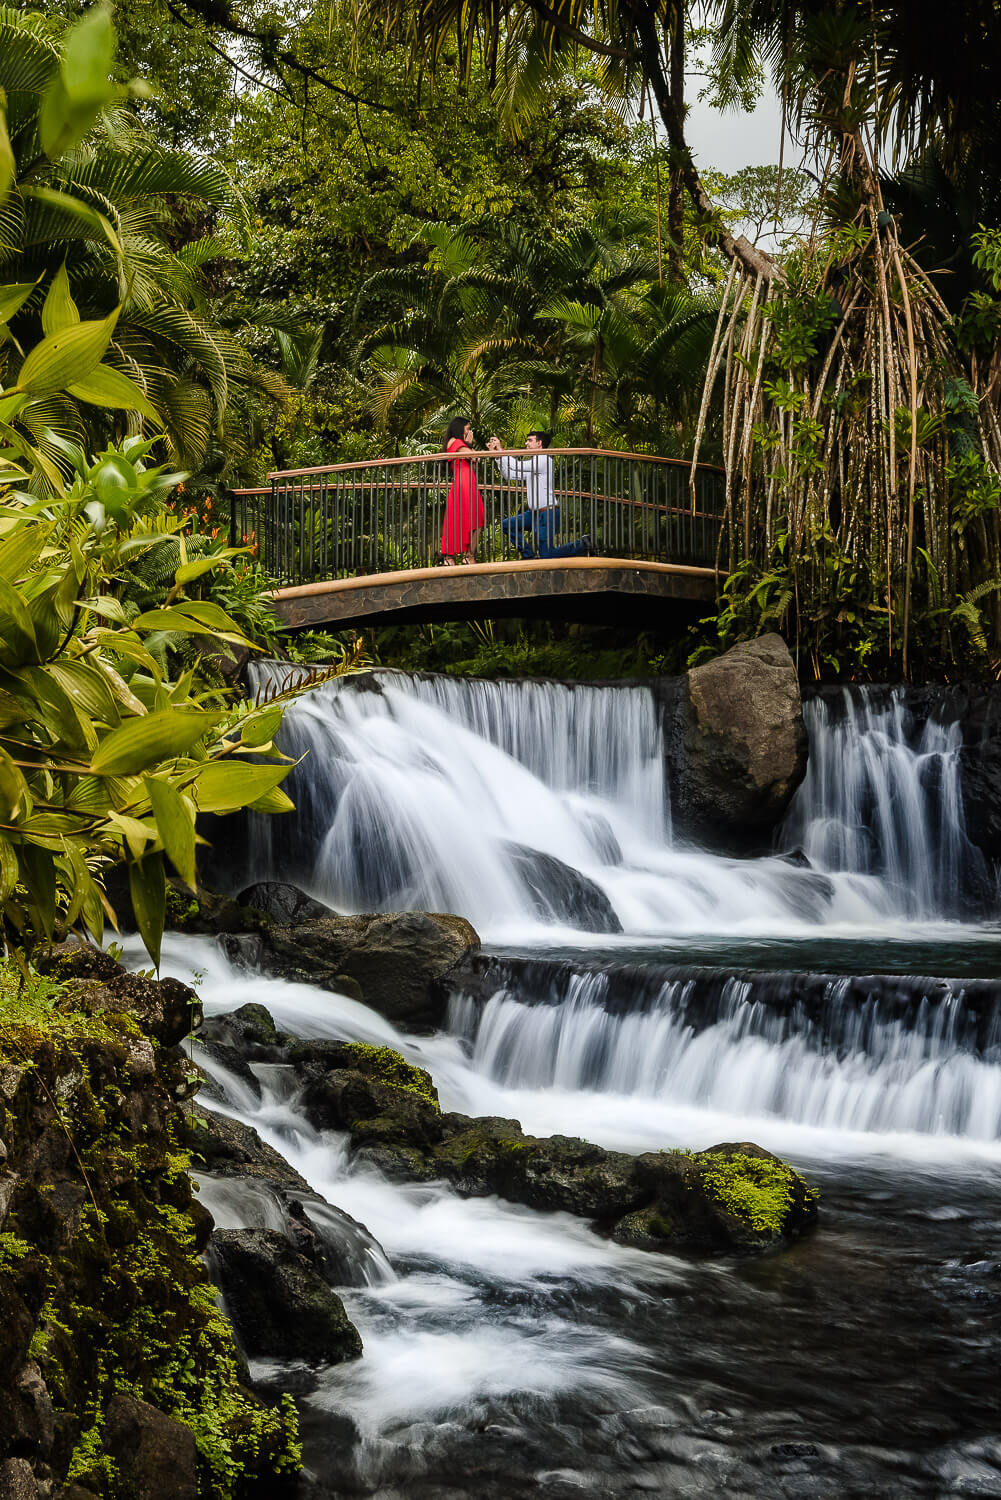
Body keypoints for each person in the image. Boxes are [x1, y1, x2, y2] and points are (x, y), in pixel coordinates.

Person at [487, 431, 591, 559]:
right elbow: (509, 475)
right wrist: (498, 457)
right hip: (533, 514)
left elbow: (516, 465)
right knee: (508, 525)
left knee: (547, 555)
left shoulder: (544, 460)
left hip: (547, 514)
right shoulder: (534, 464)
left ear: (539, 443)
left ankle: (583, 544)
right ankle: (528, 555)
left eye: (530, 440)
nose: (526, 443)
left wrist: (500, 450)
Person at [440, 416, 484, 565]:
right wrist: (470, 445)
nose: (469, 432)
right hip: (464, 483)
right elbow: (475, 457)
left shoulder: (459, 444)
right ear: (460, 428)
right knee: (470, 518)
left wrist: (470, 449)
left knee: (474, 518)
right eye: (467, 428)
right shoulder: (455, 442)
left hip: (468, 481)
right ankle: (459, 556)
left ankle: (466, 556)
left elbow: (473, 462)